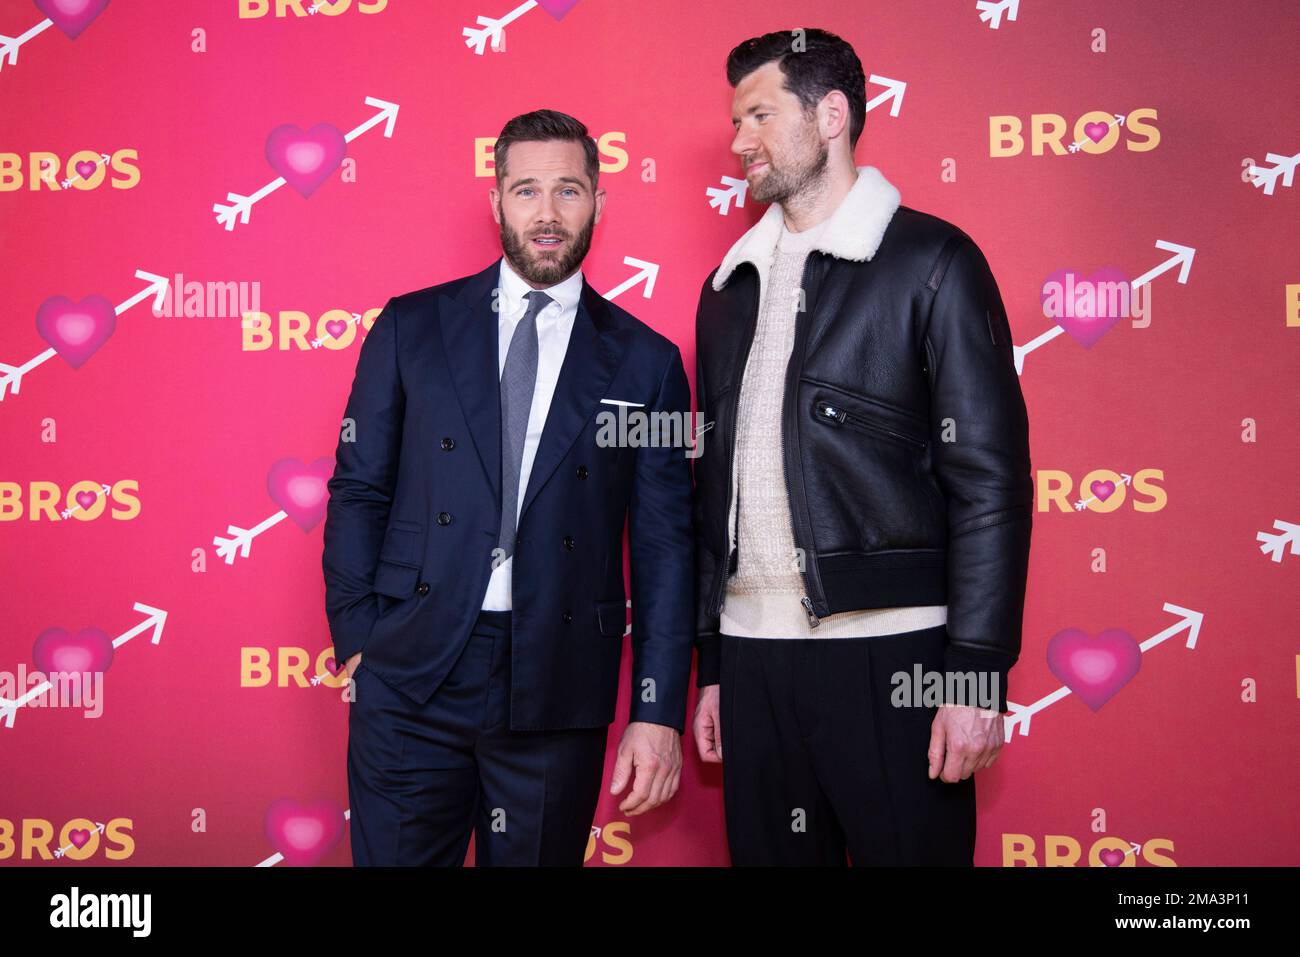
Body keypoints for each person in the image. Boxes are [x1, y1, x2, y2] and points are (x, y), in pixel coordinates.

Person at [690, 29, 1034, 865]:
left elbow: (990, 481)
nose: (738, 142)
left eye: (760, 115)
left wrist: (975, 674)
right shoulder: (727, 288)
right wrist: (713, 662)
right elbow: (713, 491)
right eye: (736, 121)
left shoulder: (933, 261)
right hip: (753, 658)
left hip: (896, 657)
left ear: (832, 114)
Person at [322, 109, 695, 865]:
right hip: (412, 677)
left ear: (599, 202)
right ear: (497, 203)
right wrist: (361, 637)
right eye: (527, 191)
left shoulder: (646, 364)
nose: (548, 213)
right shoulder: (411, 327)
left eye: (569, 190)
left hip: (557, 686)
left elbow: (665, 546)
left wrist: (656, 709)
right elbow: (360, 489)